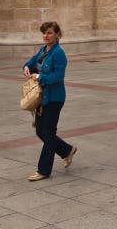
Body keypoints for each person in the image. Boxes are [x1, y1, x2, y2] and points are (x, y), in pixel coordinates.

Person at [22, 21, 77, 181]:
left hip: (54, 98)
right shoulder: (43, 49)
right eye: (44, 33)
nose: (46, 36)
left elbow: (58, 76)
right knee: (40, 131)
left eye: (50, 33)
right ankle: (67, 150)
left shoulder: (59, 52)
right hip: (41, 96)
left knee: (48, 133)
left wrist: (40, 76)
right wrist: (26, 67)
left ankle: (43, 170)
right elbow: (32, 62)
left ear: (57, 34)